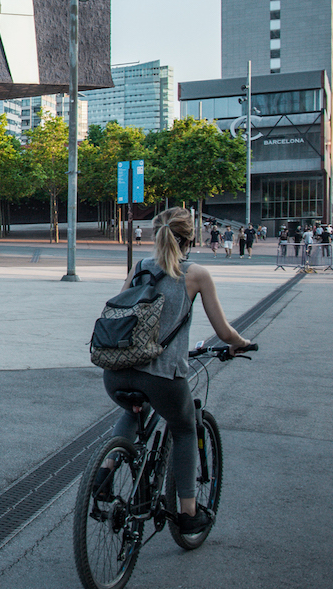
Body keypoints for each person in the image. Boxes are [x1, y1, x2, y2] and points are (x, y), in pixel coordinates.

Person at [93, 207, 252, 536]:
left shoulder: (139, 267)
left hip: (117, 372)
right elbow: (223, 332)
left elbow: (120, 311)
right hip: (163, 377)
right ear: (191, 237)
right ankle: (188, 512)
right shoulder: (196, 274)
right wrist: (240, 343)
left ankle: (105, 473)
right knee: (184, 429)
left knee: (132, 407)